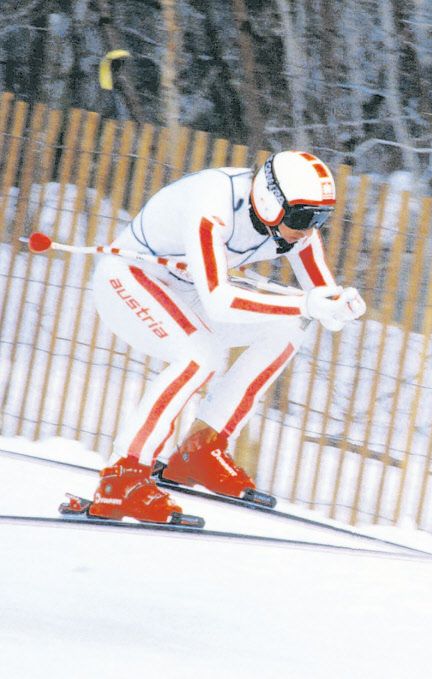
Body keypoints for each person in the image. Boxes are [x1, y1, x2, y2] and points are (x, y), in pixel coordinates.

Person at [86, 150, 366, 523]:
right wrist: (307, 304)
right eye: (303, 217)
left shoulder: (293, 229)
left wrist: (338, 308)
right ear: (270, 200)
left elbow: (320, 299)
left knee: (288, 327)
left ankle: (200, 448)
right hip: (129, 278)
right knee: (200, 357)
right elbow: (220, 302)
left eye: (321, 219)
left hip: (186, 290)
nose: (308, 229)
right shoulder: (214, 204)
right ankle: (122, 476)